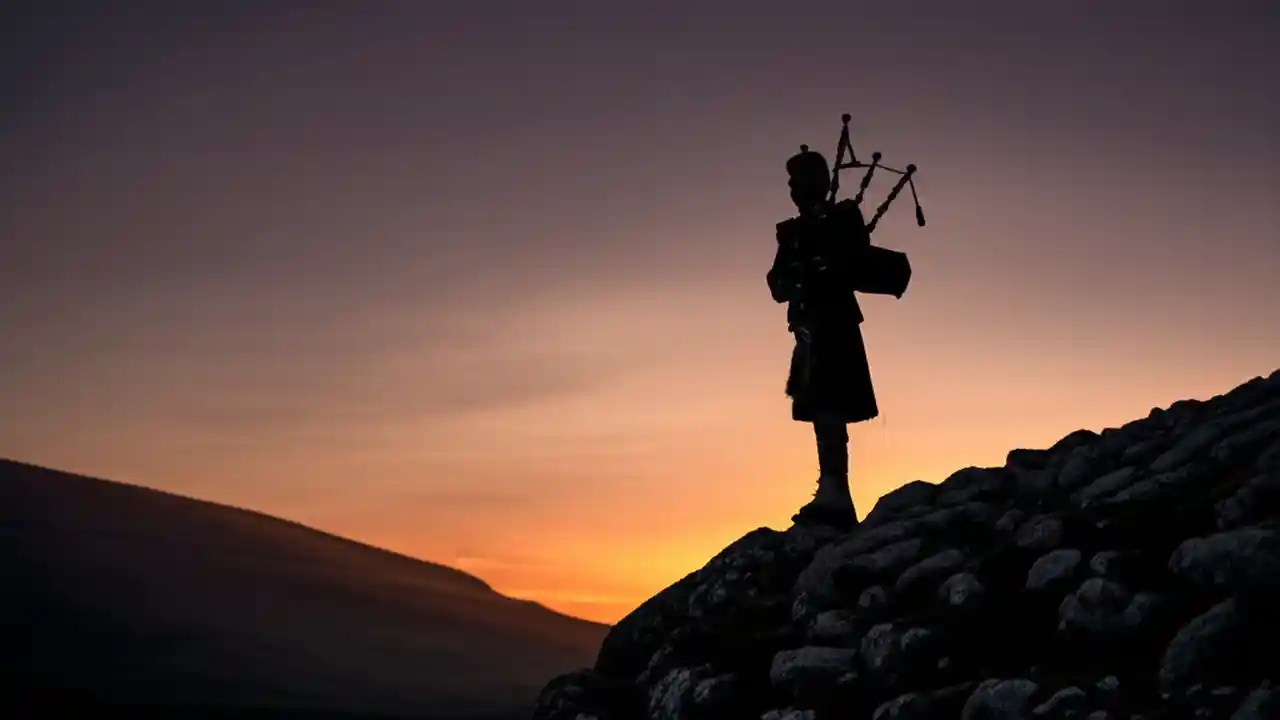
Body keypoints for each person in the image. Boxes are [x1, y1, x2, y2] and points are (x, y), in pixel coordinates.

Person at [766, 147, 894, 530]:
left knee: (829, 409)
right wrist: (801, 271)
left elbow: (856, 262)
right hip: (808, 330)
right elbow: (775, 284)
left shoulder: (843, 219)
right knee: (822, 412)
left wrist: (825, 263)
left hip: (836, 325)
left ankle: (835, 495)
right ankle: (833, 494)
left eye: (798, 180)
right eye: (790, 182)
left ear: (817, 182)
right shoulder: (791, 232)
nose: (792, 189)